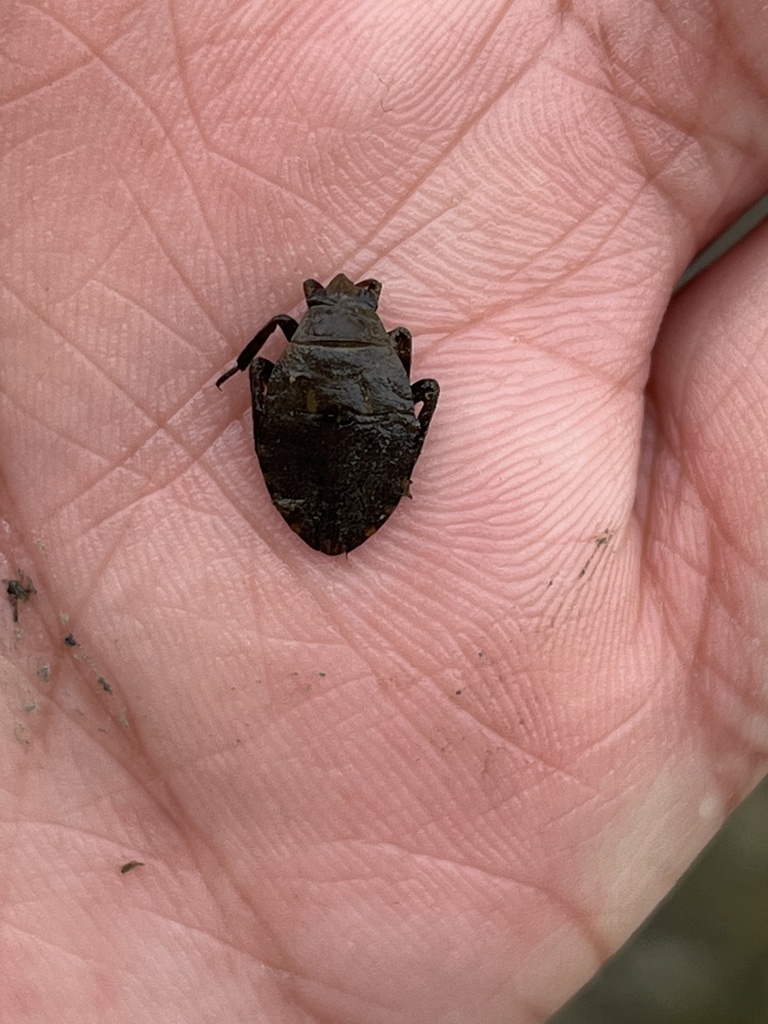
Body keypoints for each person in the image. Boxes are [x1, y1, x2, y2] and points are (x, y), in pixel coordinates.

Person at [2, 2, 768, 1020]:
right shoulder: (381, 356)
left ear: (323, 317)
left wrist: (257, 382)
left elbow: (348, 378)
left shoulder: (310, 341)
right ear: (347, 317)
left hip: (332, 422)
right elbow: (418, 396)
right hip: (357, 433)